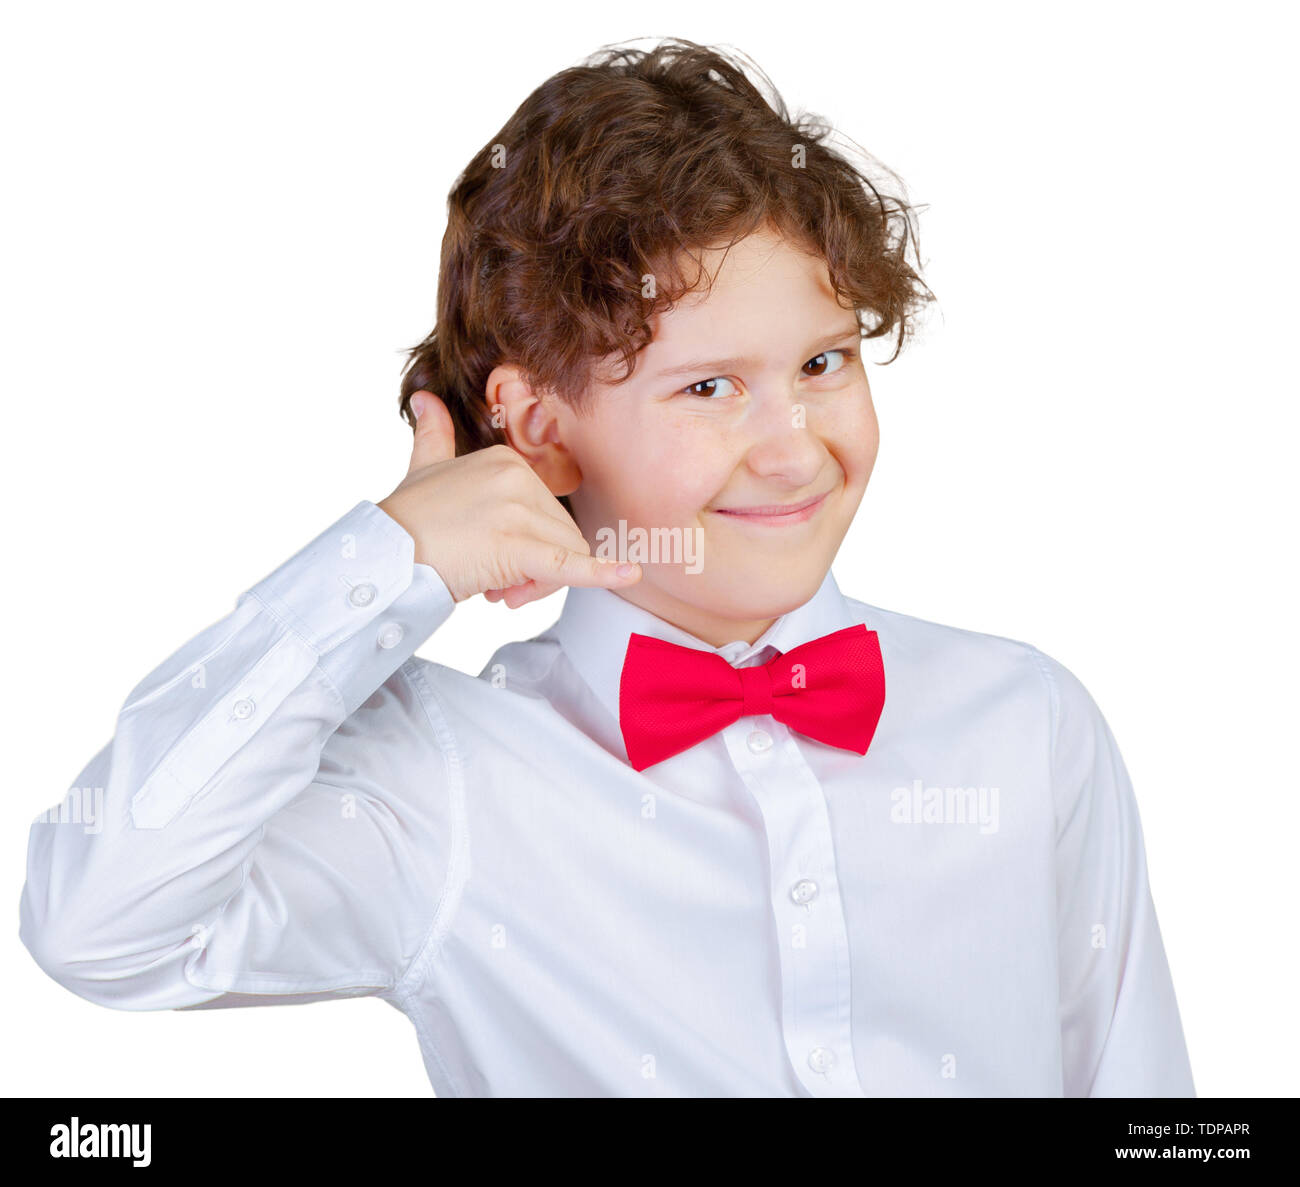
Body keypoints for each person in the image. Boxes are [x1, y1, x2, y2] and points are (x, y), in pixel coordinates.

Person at [18, 38, 1194, 1097]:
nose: (795, 447)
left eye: (825, 362)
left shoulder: (1027, 721)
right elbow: (98, 921)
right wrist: (389, 560)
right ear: (539, 427)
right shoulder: (445, 784)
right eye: (709, 386)